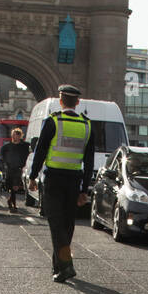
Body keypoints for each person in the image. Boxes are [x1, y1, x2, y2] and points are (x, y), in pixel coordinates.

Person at [28, 85, 96, 283]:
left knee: (56, 224)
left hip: (53, 180)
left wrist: (32, 176)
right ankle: (58, 267)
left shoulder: (53, 121)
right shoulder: (87, 125)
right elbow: (89, 161)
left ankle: (66, 266)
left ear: (60, 100)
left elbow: (40, 151)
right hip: (74, 180)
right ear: (77, 102)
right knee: (66, 225)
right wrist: (84, 189)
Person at [0, 127, 30, 211]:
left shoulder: (25, 145)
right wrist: (3, 163)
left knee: (15, 187)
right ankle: (10, 201)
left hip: (18, 169)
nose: (14, 137)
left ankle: (13, 204)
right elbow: (1, 154)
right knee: (10, 187)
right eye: (13, 135)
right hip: (9, 169)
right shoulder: (7, 146)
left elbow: (31, 150)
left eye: (16, 135)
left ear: (20, 136)